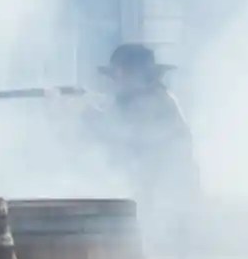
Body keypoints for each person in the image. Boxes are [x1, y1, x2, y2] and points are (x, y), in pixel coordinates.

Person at [51, 43, 200, 245]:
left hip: (165, 199)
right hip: (153, 196)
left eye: (121, 74)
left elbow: (124, 136)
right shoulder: (137, 100)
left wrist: (85, 113)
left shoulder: (155, 102)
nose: (116, 80)